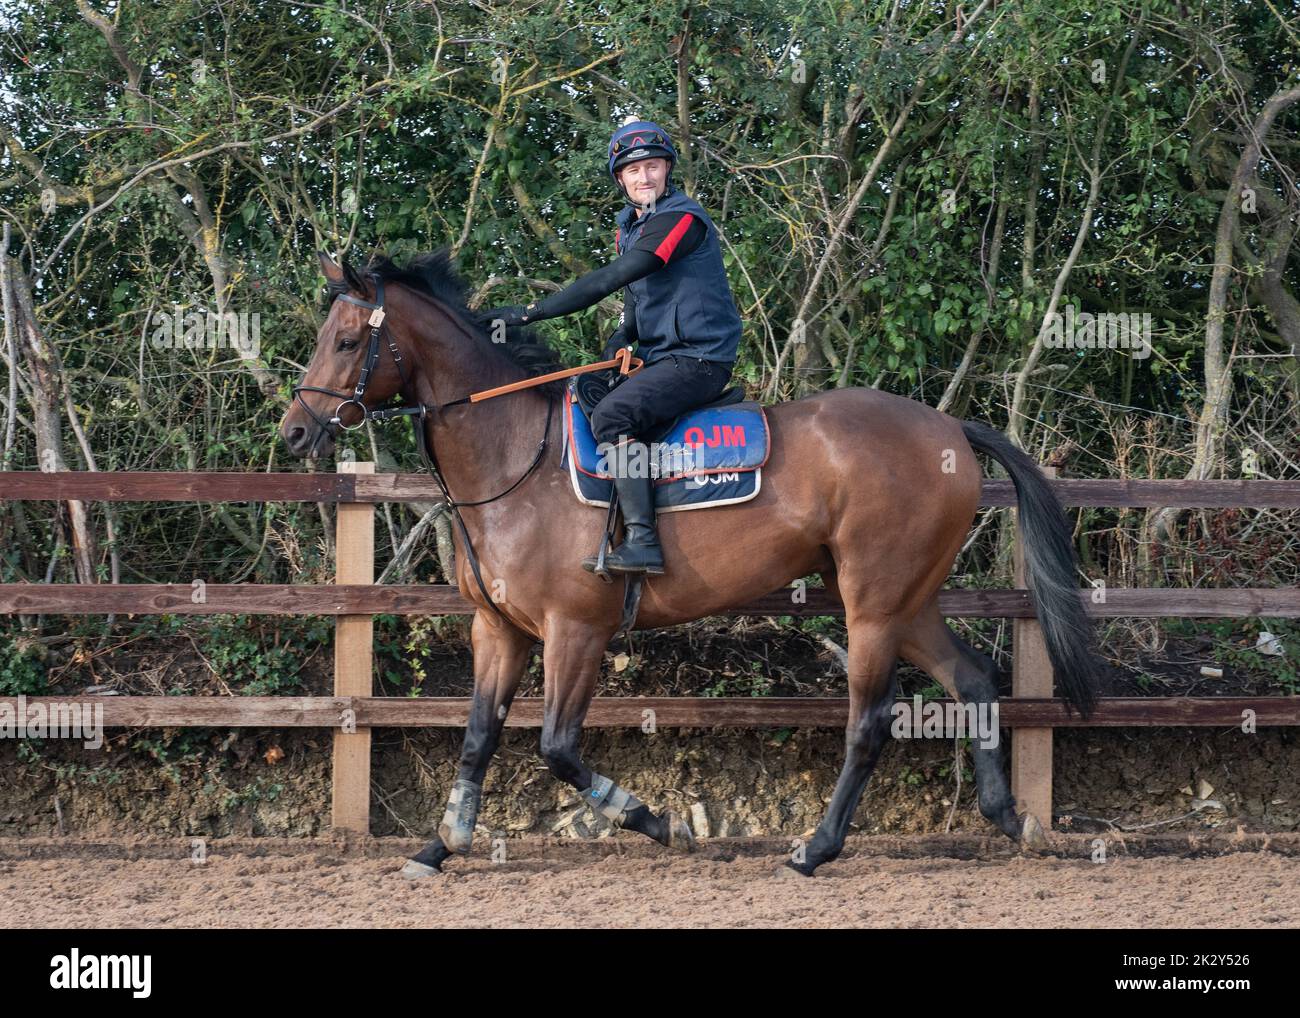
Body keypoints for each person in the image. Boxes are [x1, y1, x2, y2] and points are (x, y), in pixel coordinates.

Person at [479, 118, 742, 576]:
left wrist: (528, 312)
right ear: (620, 179)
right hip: (662, 357)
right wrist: (623, 337)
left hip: (700, 359)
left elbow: (612, 279)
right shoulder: (631, 228)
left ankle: (643, 541)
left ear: (667, 170)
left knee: (615, 416)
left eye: (654, 167)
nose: (645, 178)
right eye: (634, 170)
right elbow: (635, 301)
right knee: (586, 391)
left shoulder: (680, 219)